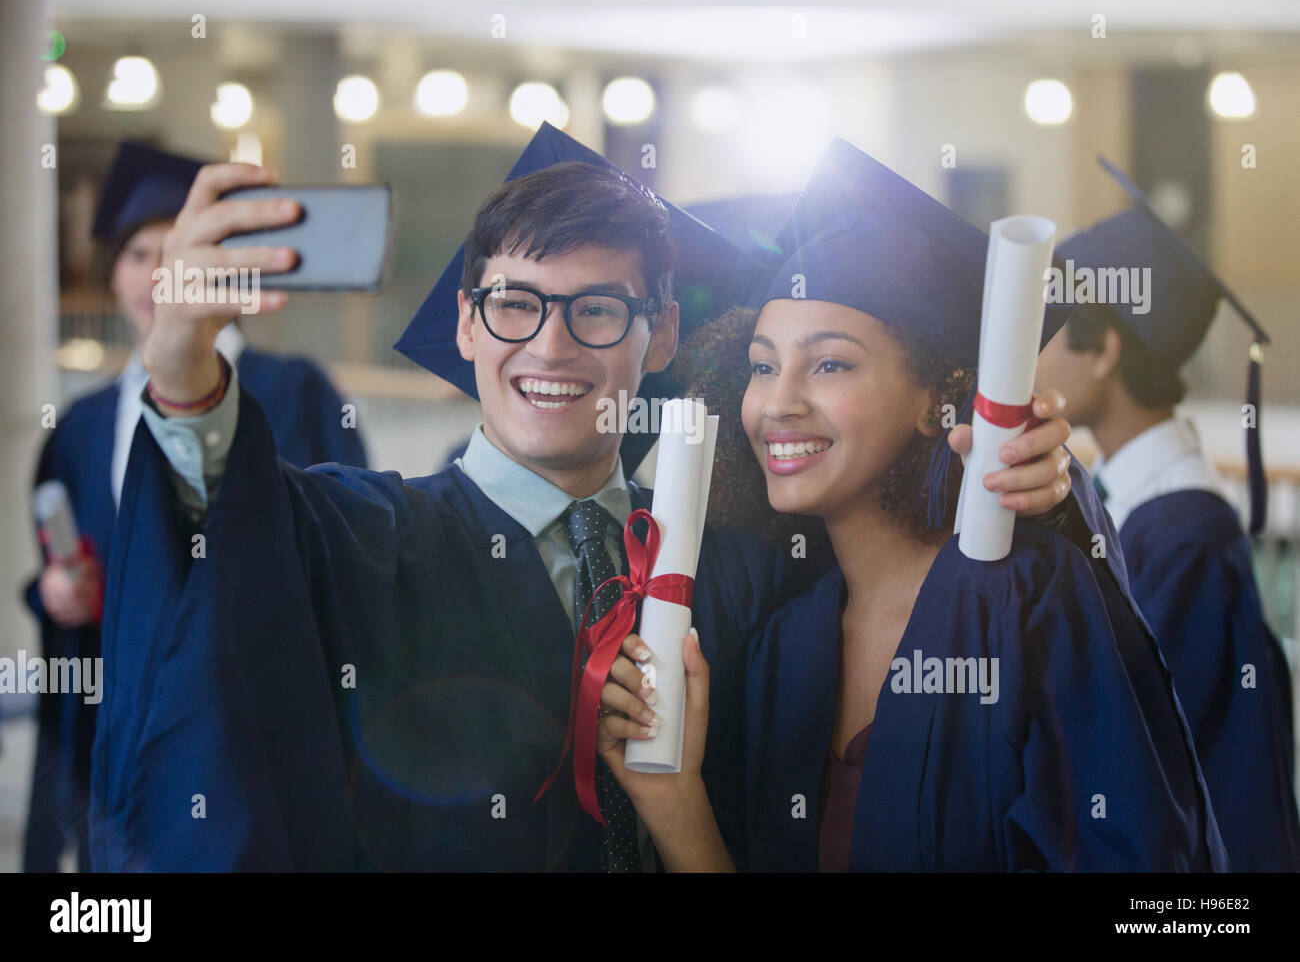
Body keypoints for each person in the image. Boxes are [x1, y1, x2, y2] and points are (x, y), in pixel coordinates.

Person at [89, 124, 1074, 871]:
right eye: (514, 304)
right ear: (467, 327)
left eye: (598, 309)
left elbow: (918, 549)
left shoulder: (747, 563)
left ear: (659, 337)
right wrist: (182, 371)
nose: (549, 347)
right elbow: (218, 529)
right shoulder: (355, 536)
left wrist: (1025, 479)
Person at [597, 140, 1228, 872]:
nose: (779, 403)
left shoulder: (1029, 602)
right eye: (764, 366)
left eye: (830, 363)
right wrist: (676, 801)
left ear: (939, 398)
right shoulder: (785, 642)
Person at [22, 141, 367, 872]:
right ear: (111, 274)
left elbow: (344, 547)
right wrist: (57, 593)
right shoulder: (80, 424)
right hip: (113, 719)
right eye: (139, 252)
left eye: (179, 247)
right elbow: (58, 559)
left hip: (249, 722)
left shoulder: (297, 389)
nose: (158, 272)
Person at [1034, 157, 1299, 871]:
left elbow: (1145, 763)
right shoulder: (1150, 512)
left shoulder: (1184, 540)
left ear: (1105, 353)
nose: (1033, 347)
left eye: (1051, 325)